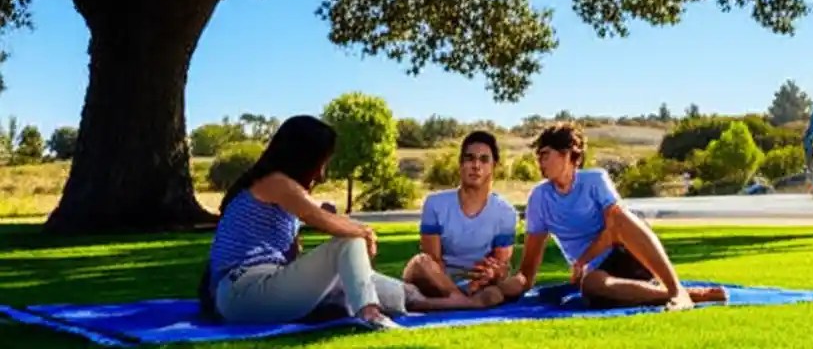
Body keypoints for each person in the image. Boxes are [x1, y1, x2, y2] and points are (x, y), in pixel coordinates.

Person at [198, 115, 430, 330]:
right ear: (301, 159)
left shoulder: (282, 197)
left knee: (390, 290)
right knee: (348, 240)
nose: (321, 175)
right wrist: (364, 233)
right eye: (320, 163)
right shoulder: (275, 182)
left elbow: (305, 233)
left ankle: (456, 302)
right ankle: (370, 315)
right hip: (243, 291)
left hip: (266, 288)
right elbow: (318, 218)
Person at [512, 123, 727, 310]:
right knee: (590, 286)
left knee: (621, 216)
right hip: (598, 274)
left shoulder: (595, 180)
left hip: (630, 253)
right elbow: (528, 269)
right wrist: (503, 286)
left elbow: (616, 229)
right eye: (538, 156)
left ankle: (675, 288)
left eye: (545, 155)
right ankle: (682, 295)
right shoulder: (539, 198)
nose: (540, 162)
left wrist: (582, 261)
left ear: (568, 155)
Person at [401, 131, 522, 309]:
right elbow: (434, 258)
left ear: (493, 166)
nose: (476, 165)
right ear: (460, 164)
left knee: (516, 283)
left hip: (477, 284)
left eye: (483, 159)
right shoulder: (435, 203)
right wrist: (450, 285)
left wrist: (490, 275)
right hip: (436, 278)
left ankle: (436, 304)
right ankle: (462, 301)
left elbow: (501, 266)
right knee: (420, 263)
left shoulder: (506, 212)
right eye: (469, 158)